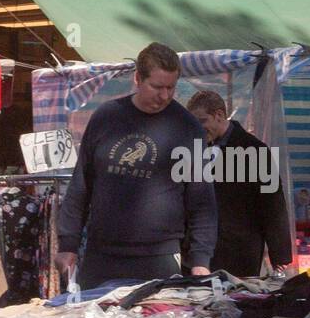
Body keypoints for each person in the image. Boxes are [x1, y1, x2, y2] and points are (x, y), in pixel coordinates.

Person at [55, 43, 217, 290]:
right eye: (157, 87)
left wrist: (200, 260)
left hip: (159, 259)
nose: (164, 96)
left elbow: (202, 200)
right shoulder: (106, 117)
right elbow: (81, 186)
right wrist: (68, 245)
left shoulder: (187, 127)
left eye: (171, 87)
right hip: (102, 257)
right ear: (137, 79)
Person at [186, 89, 292, 278]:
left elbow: (273, 205)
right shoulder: (192, 148)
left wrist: (280, 257)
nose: (197, 128)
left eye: (202, 121)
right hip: (197, 254)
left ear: (219, 115)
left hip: (239, 254)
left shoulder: (254, 150)